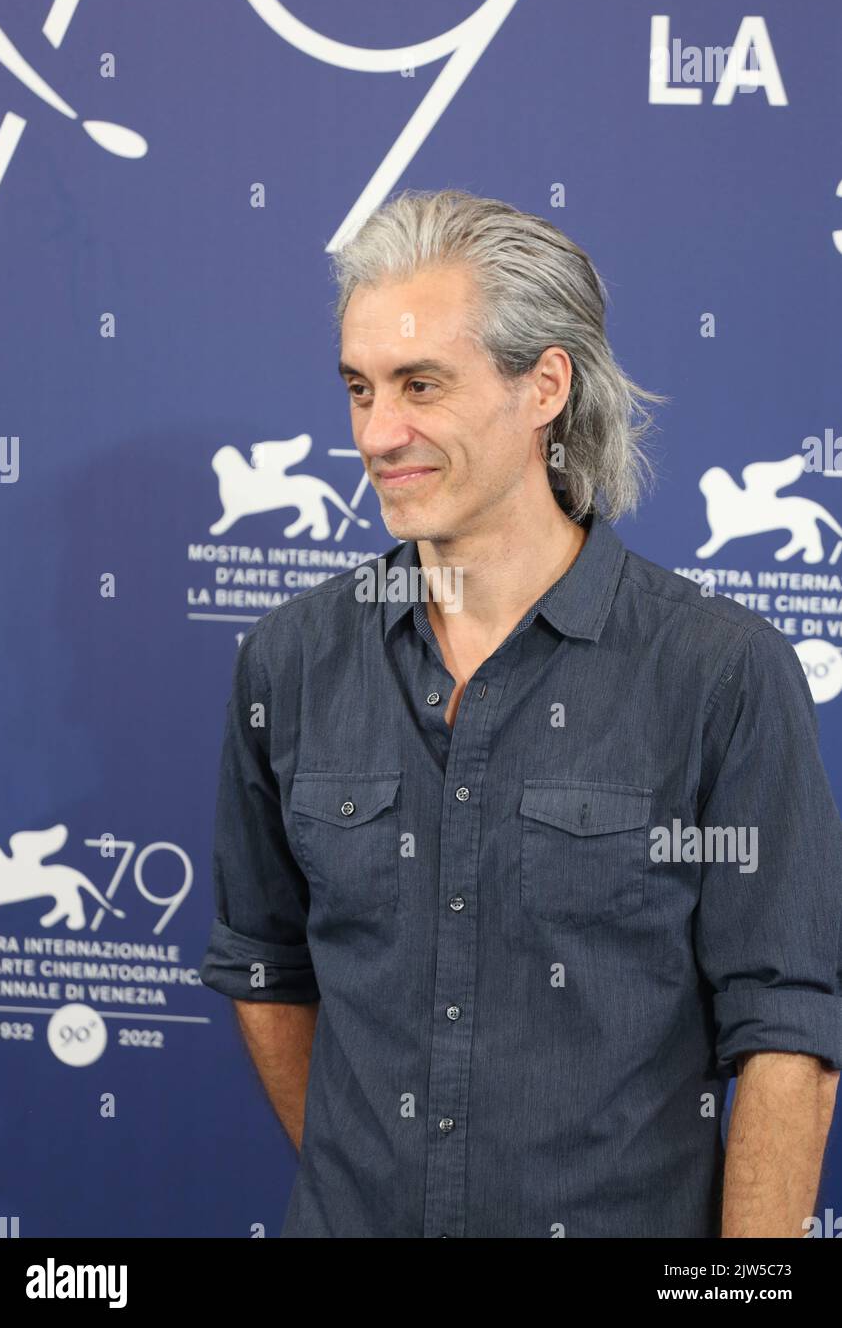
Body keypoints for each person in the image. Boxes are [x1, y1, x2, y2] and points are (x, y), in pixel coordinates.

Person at [199, 188, 842, 1238]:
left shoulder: (718, 673)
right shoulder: (290, 659)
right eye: (359, 389)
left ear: (544, 384)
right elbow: (266, 966)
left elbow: (786, 1038)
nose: (377, 433)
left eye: (420, 385)